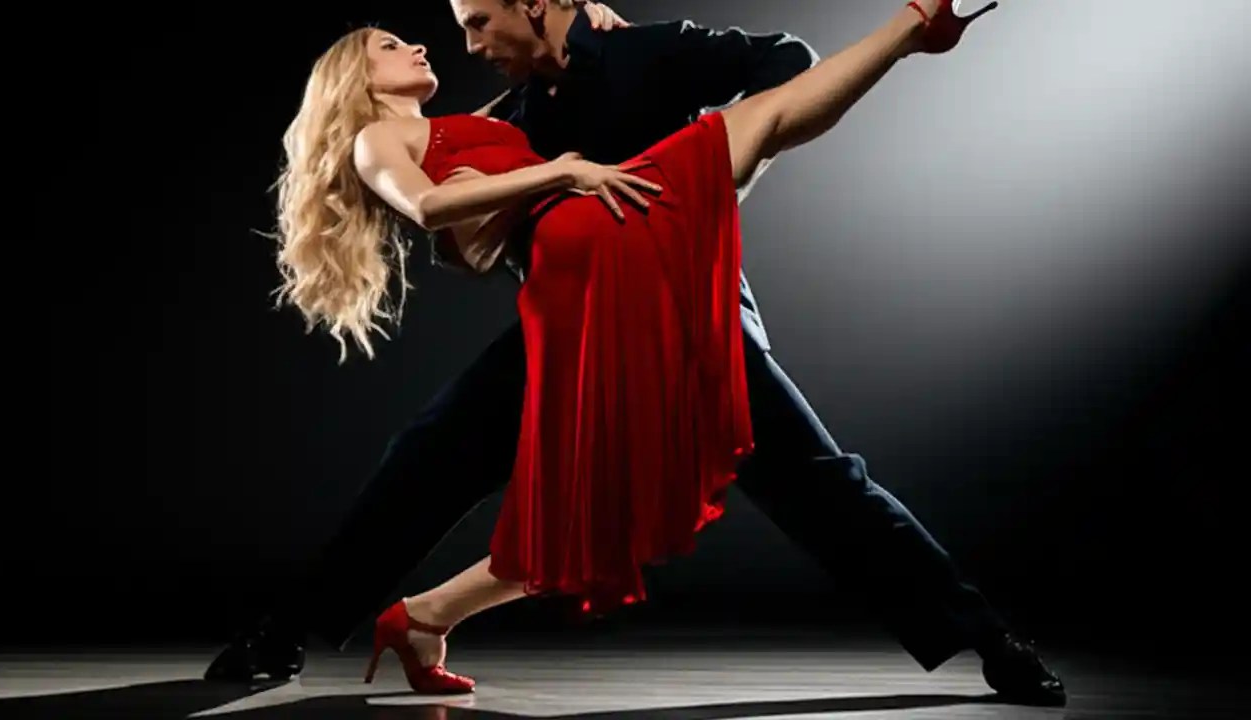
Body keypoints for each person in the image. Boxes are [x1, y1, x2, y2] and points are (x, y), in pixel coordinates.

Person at [206, 0, 1066, 707]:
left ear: (532, 6)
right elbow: (458, 215)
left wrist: (711, 195)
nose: (469, 44)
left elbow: (785, 68)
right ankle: (285, 634)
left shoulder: (650, 52)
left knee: (820, 482)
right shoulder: (510, 116)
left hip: (688, 307)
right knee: (430, 454)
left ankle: (989, 640)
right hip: (575, 322)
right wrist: (490, 214)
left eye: (477, 23)